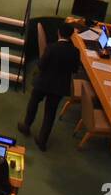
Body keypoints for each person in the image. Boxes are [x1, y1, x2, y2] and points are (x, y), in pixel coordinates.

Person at [17, 21, 82, 150]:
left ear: (58, 33)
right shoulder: (75, 52)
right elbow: (75, 70)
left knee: (33, 103)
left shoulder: (51, 48)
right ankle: (42, 140)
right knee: (50, 113)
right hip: (59, 87)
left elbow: (41, 65)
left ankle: (26, 126)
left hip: (43, 82)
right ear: (71, 35)